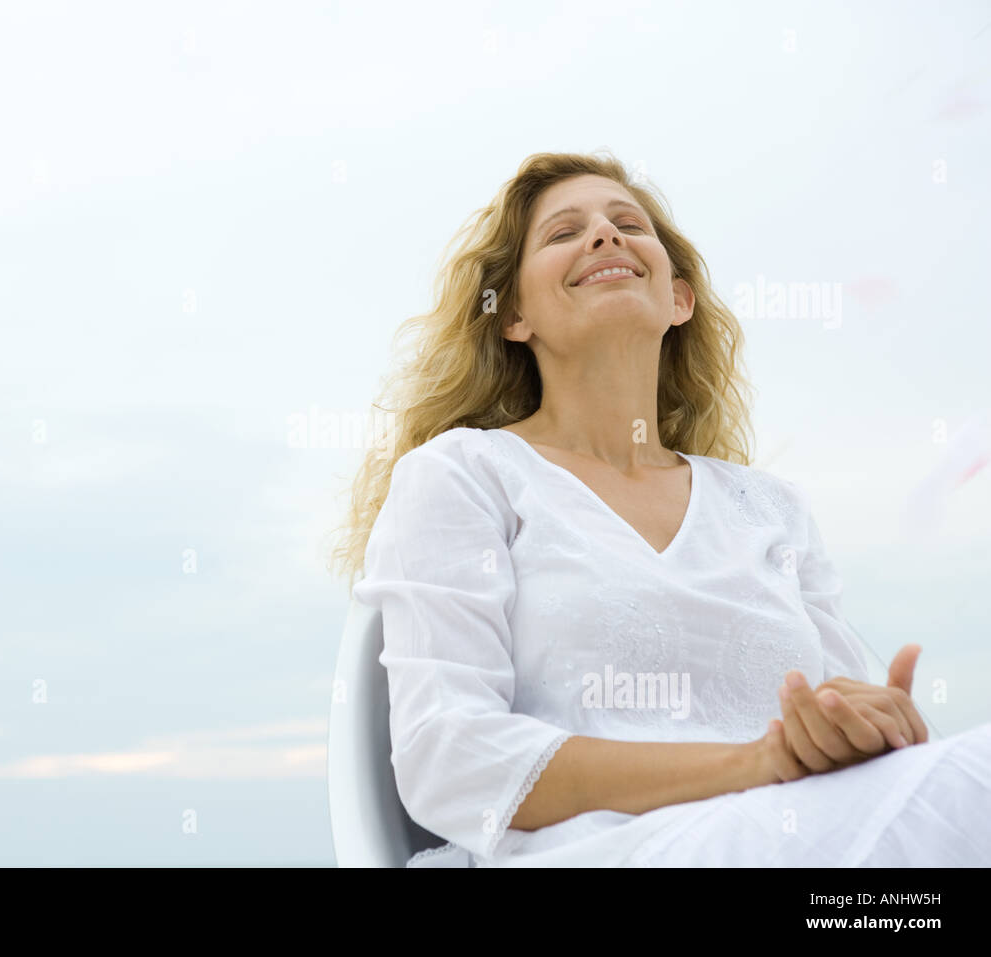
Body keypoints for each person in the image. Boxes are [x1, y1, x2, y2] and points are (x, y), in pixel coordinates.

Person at [326, 151, 991, 867]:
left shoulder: (769, 508)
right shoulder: (463, 474)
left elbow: (840, 722)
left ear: (679, 298)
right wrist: (753, 766)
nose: (605, 237)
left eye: (627, 223)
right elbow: (450, 758)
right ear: (513, 314)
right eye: (563, 234)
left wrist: (872, 726)